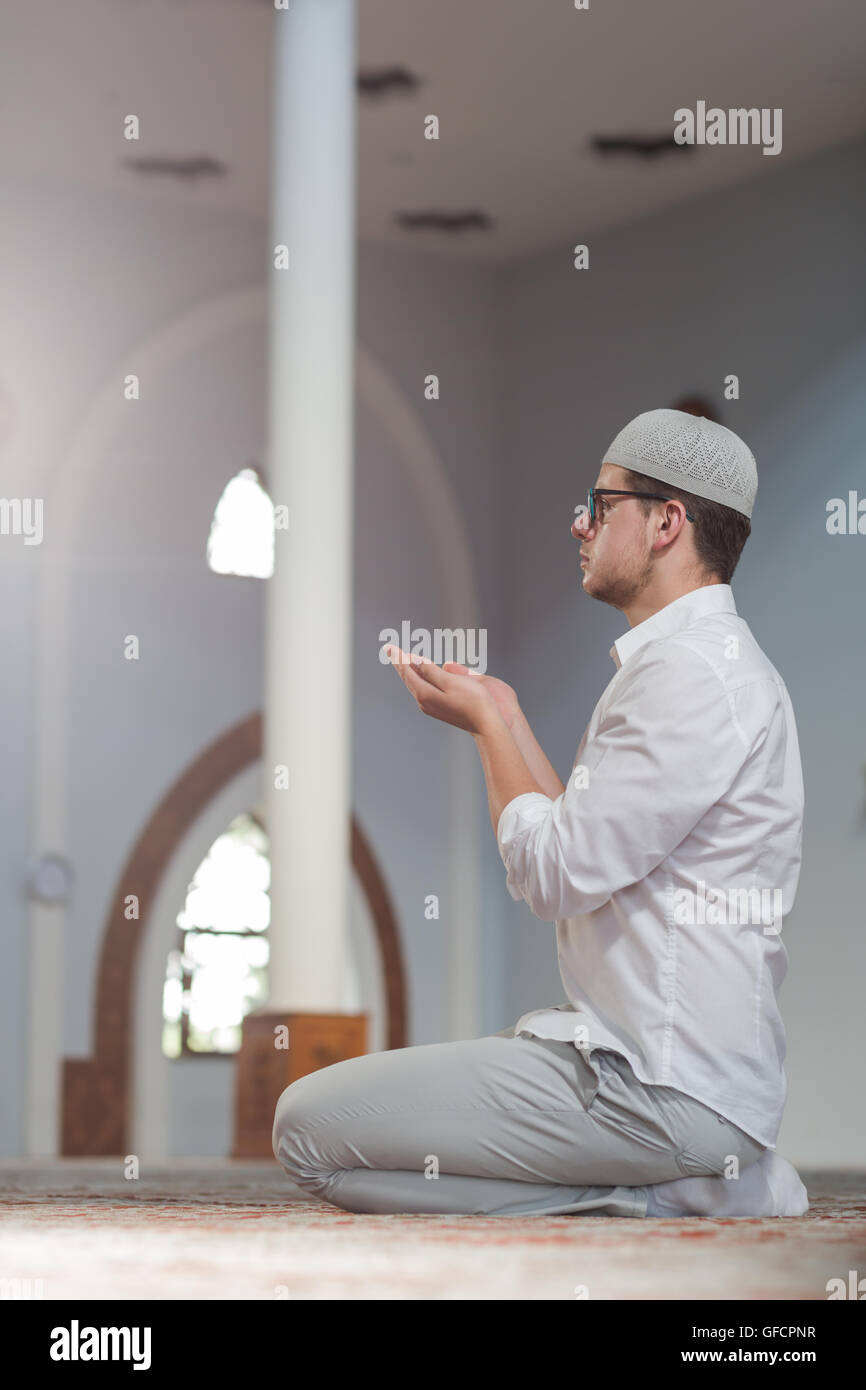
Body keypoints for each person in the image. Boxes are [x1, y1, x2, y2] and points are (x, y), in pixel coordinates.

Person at [272, 408, 808, 1219]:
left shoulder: (691, 677)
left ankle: (668, 1190)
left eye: (601, 502)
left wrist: (489, 731)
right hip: (651, 1074)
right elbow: (581, 849)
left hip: (657, 1088)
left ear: (668, 523)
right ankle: (670, 1185)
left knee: (306, 1133)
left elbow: (555, 877)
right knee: (348, 1139)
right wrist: (508, 714)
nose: (579, 523)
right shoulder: (693, 665)